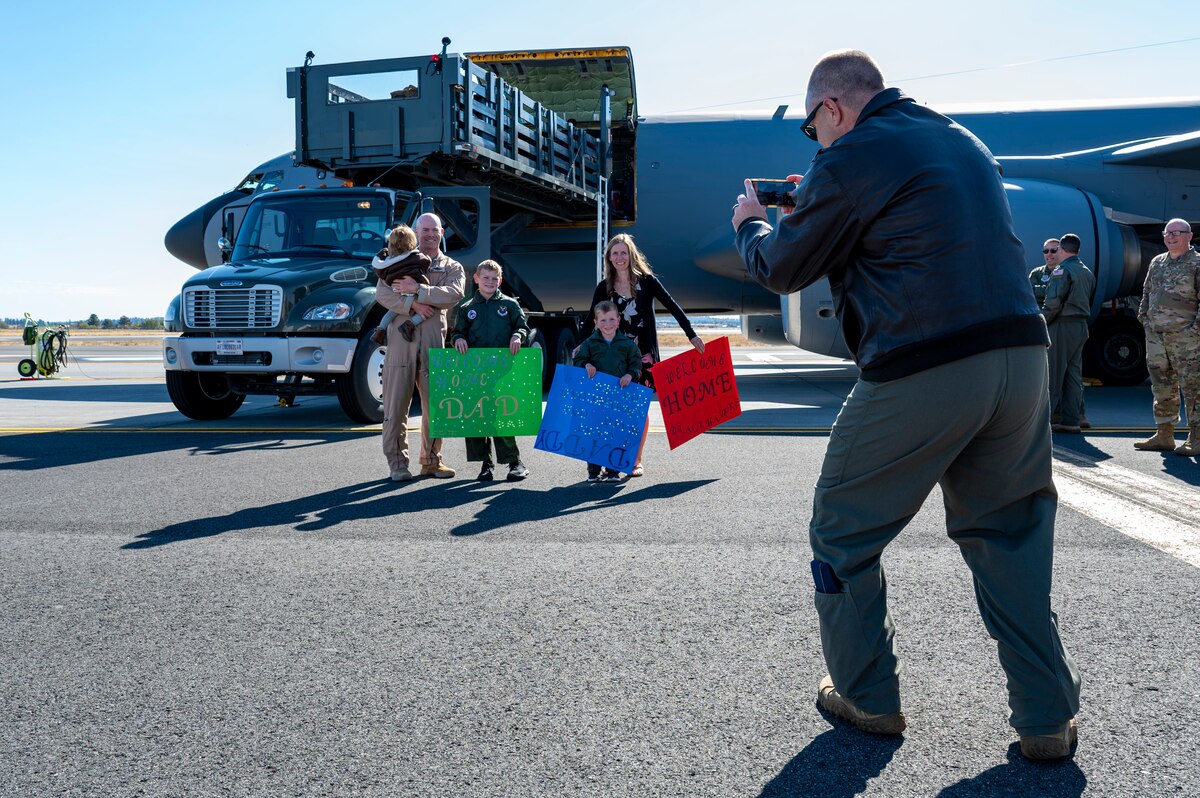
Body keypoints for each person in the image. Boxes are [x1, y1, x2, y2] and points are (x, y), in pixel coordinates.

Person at [731, 49, 1080, 760]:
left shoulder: (853, 151)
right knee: (1008, 538)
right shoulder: (959, 137)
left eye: (812, 128)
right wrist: (821, 192)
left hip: (928, 362)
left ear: (833, 107)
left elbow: (783, 266)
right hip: (1020, 359)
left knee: (840, 531)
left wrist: (749, 224)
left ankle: (867, 694)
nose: (817, 142)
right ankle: (1046, 719)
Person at [580, 233, 704, 477]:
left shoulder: (647, 282)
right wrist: (580, 348)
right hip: (611, 358)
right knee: (613, 410)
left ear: (631, 255)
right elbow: (589, 320)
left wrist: (691, 334)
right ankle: (612, 458)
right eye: (614, 253)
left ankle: (635, 459)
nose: (619, 257)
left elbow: (673, 306)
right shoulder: (604, 288)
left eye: (623, 252)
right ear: (609, 258)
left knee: (639, 409)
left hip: (643, 355)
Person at [375, 212, 465, 481]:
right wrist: (413, 305)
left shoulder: (451, 266)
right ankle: (397, 465)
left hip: (433, 344)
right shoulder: (397, 259)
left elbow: (455, 293)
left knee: (435, 405)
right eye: (424, 230)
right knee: (395, 406)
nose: (429, 235)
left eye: (434, 230)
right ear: (416, 232)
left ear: (442, 233)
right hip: (401, 342)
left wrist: (419, 289)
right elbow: (382, 294)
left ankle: (431, 461)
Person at [451, 260, 532, 481]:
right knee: (478, 415)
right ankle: (485, 464)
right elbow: (457, 332)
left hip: (502, 370)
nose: (490, 282)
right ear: (476, 279)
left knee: (501, 415)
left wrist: (518, 335)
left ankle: (514, 462)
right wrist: (458, 339)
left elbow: (522, 327)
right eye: (485, 277)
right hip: (475, 372)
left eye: (494, 278)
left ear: (500, 280)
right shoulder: (467, 308)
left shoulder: (509, 305)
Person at [1133, 219, 1200, 455]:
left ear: (1189, 236)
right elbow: (1147, 290)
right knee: (1162, 386)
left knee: (1193, 387)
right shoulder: (1157, 262)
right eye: (1167, 233)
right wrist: (1145, 319)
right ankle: (1164, 435)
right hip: (1156, 337)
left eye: (1177, 233)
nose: (1171, 237)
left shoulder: (1196, 263)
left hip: (1187, 338)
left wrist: (1194, 331)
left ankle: (1197, 437)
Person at [573, 301, 642, 483]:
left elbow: (636, 364)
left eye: (612, 319)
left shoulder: (627, 345)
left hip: (618, 397)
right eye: (603, 320)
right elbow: (579, 360)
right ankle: (593, 471)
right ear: (595, 322)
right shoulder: (589, 343)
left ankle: (612, 471)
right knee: (594, 433)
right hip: (596, 398)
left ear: (619, 321)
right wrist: (586, 364)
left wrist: (630, 374)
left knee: (615, 433)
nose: (608, 324)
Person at [1042, 234, 1096, 434]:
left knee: (1053, 375)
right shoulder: (1086, 271)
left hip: (1062, 325)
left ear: (1062, 250)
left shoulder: (1062, 270)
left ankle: (1043, 421)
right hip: (1080, 325)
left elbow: (1054, 303)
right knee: (1073, 375)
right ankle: (1071, 419)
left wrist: (1041, 322)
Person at [371, 225, 430, 344]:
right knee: (428, 309)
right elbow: (426, 262)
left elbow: (381, 273)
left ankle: (380, 331)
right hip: (415, 292)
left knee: (392, 311)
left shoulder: (386, 264)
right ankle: (410, 325)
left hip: (397, 290)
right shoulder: (416, 257)